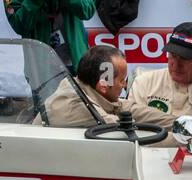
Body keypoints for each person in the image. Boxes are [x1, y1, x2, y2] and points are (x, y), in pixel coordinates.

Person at [43, 45, 176, 129]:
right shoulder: (80, 108)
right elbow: (131, 134)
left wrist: (178, 123)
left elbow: (128, 108)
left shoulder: (86, 87)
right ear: (103, 86)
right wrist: (191, 139)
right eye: (122, 80)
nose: (124, 85)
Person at [127, 21, 192, 129]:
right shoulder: (144, 83)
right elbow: (134, 127)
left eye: (185, 58)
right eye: (173, 55)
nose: (176, 64)